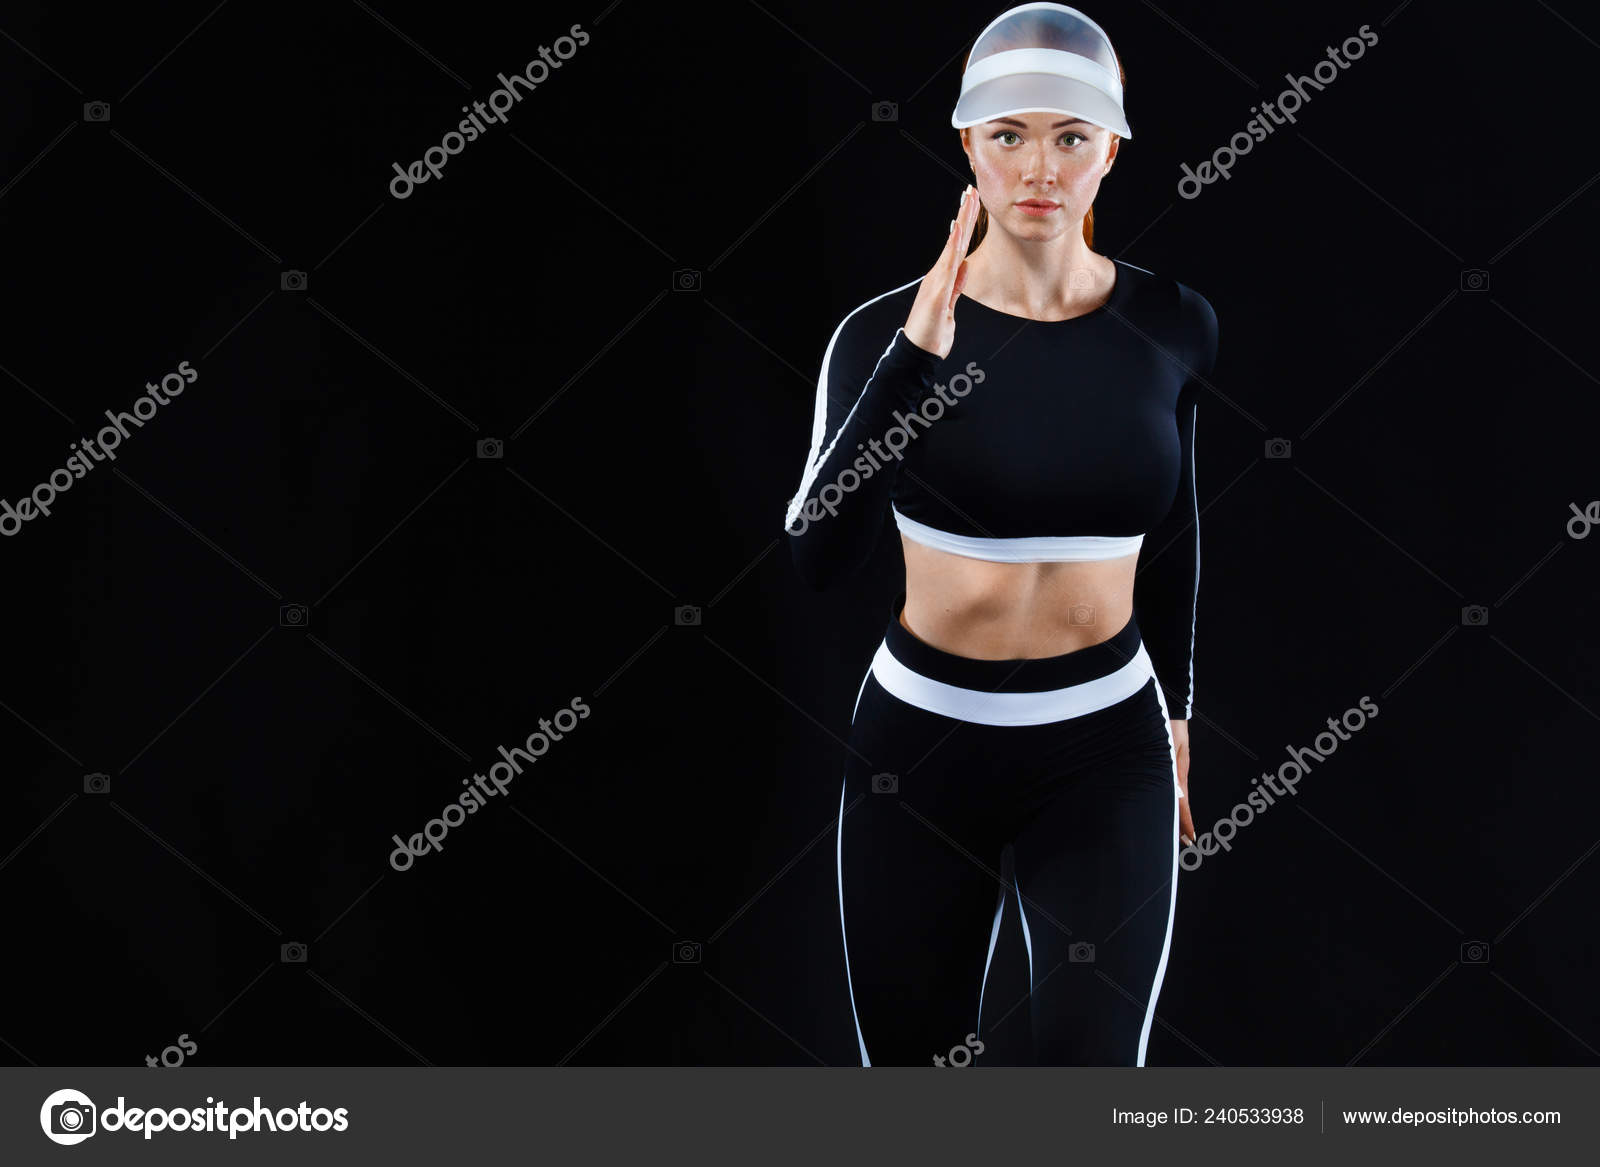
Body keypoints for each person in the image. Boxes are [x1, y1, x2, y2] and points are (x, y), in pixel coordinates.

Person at [782, 3, 1218, 1066]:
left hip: (1106, 747)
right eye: (1009, 135)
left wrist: (1177, 713)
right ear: (968, 145)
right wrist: (912, 362)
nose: (1039, 168)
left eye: (1070, 137)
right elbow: (817, 555)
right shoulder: (881, 335)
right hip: (922, 749)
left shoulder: (1172, 324)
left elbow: (1174, 528)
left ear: (1109, 150)